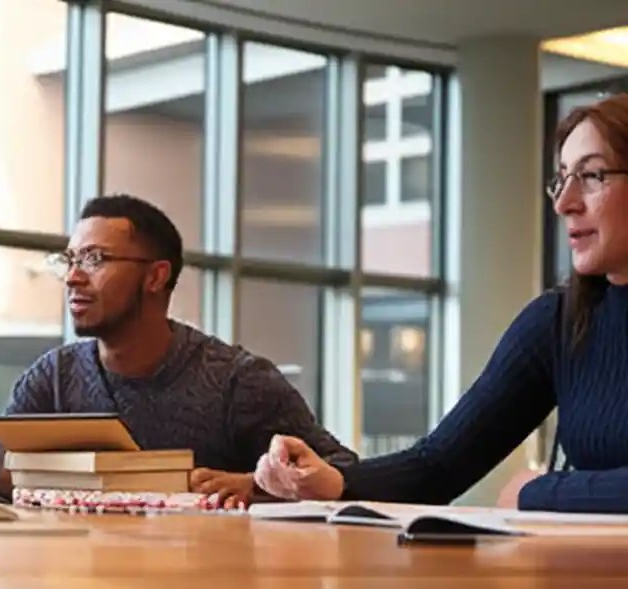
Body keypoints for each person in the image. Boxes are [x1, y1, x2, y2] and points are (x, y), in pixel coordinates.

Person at [255, 93, 628, 513]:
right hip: (592, 574)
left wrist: (537, 491)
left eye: (593, 176)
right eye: (562, 178)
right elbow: (439, 465)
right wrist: (333, 481)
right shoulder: (556, 322)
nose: (564, 203)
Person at [0, 194, 357, 506]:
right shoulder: (53, 377)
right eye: (70, 260)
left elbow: (345, 471)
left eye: (95, 259)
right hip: (81, 584)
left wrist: (258, 486)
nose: (74, 278)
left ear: (155, 276)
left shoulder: (237, 381)